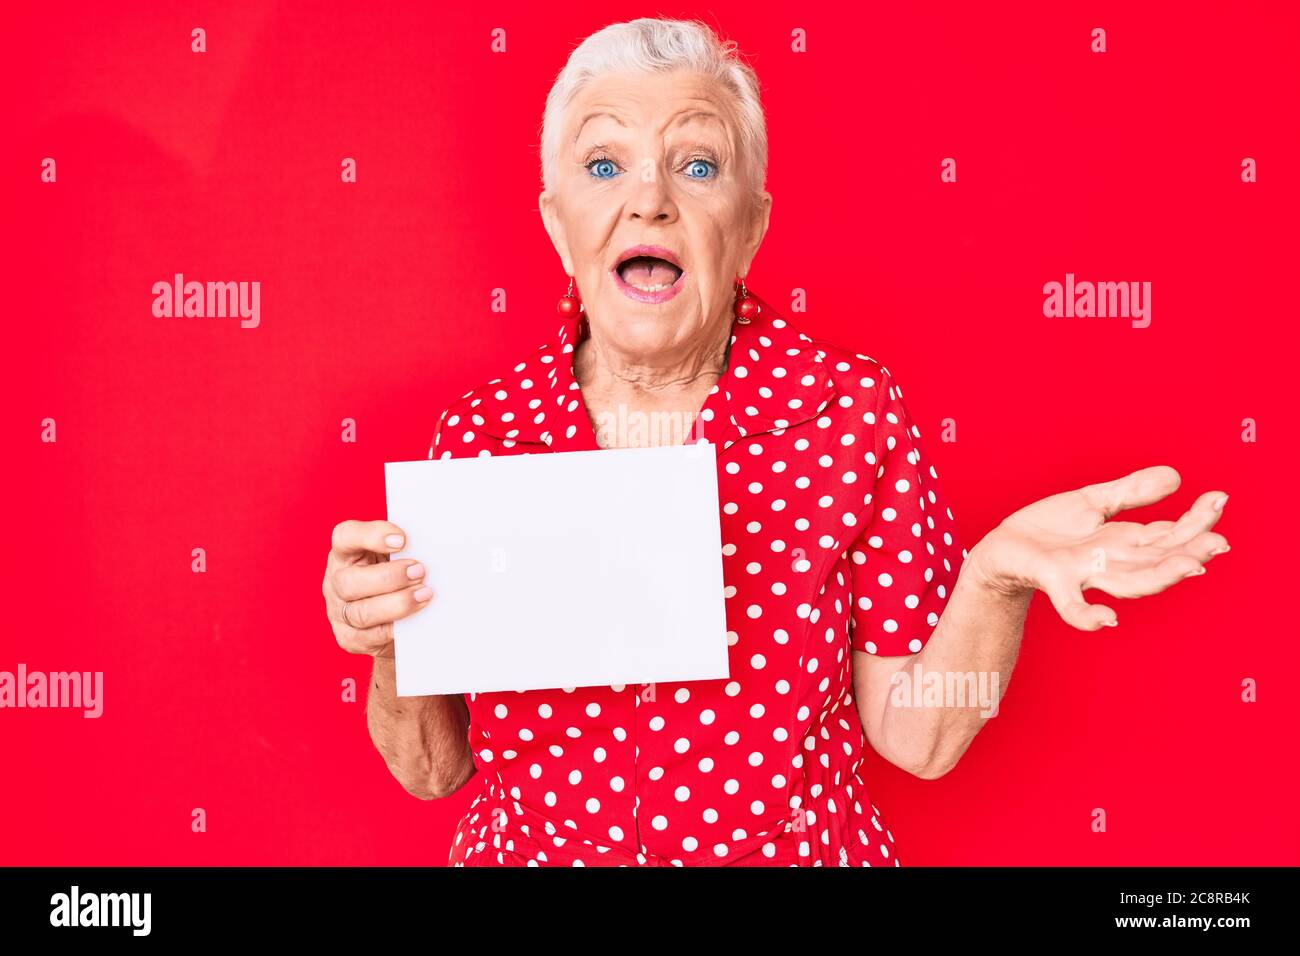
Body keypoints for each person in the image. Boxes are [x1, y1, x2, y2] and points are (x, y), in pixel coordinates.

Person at [321, 17, 1230, 866]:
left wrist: (993, 580)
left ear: (750, 227)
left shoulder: (851, 414)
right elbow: (432, 773)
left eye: (697, 164)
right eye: (604, 165)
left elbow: (919, 739)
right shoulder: (481, 437)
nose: (649, 200)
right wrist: (389, 646)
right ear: (559, 226)